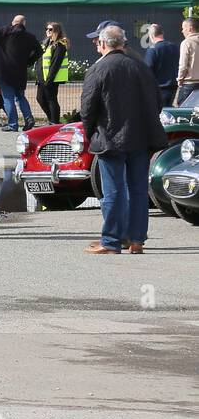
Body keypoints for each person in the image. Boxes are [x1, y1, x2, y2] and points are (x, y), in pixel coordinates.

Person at [80, 24, 167, 254]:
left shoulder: (99, 69)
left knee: (114, 191)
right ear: (123, 42)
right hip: (141, 137)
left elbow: (87, 109)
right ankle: (136, 240)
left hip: (110, 138)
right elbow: (157, 101)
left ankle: (111, 241)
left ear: (102, 43)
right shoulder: (141, 66)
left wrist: (90, 135)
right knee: (138, 190)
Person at [36, 21, 69, 124]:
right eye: (47, 29)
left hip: (52, 79)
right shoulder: (46, 43)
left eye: (50, 29)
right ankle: (52, 120)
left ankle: (54, 122)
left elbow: (56, 64)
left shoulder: (60, 45)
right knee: (40, 98)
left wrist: (49, 79)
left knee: (51, 100)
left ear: (57, 31)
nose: (47, 31)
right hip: (43, 78)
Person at [144, 23, 180, 108]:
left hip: (158, 88)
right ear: (162, 33)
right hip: (173, 87)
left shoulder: (152, 49)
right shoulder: (174, 47)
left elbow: (147, 69)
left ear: (151, 35)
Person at [177, 17, 199, 106]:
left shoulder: (186, 43)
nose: (182, 31)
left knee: (184, 112)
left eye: (183, 28)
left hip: (189, 84)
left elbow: (183, 65)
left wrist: (180, 80)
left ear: (190, 29)